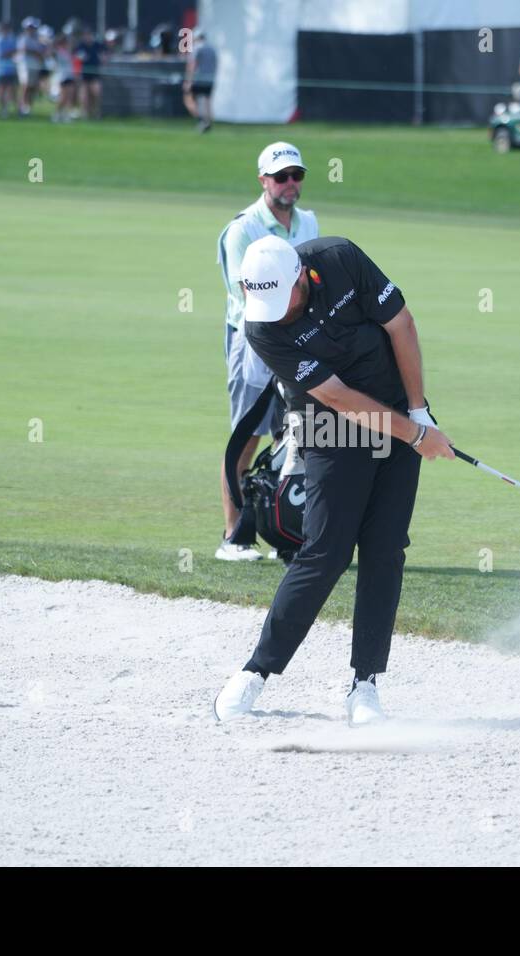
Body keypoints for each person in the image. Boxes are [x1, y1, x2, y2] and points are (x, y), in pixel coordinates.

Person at [213, 235, 454, 725]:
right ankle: (255, 672)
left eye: (285, 301)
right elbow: (339, 397)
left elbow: (401, 324)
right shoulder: (261, 325)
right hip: (331, 425)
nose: (278, 313)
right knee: (325, 551)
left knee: (385, 550)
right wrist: (415, 435)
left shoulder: (340, 259)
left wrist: (417, 411)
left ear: (302, 275)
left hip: (396, 411)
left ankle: (364, 686)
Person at [214, 142, 320, 561]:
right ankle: (233, 537)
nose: (290, 184)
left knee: (289, 438)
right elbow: (244, 297)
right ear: (263, 180)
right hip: (253, 342)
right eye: (281, 177)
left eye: (297, 176)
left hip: (296, 341)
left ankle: (283, 533)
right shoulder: (242, 229)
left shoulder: (308, 222)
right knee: (246, 437)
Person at [182, 28, 216, 133]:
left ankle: (201, 120)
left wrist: (188, 80)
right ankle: (208, 122)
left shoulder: (197, 48)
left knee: (189, 99)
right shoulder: (212, 49)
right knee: (207, 101)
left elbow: (192, 64)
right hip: (210, 78)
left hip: (198, 78)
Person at [15, 17, 44, 116]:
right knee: (25, 86)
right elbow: (25, 50)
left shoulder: (37, 39)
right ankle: (22, 107)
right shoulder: (23, 38)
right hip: (25, 65)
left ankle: (29, 107)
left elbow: (41, 52)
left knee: (32, 87)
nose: (31, 29)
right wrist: (36, 53)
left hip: (35, 65)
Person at [75, 25, 105, 120]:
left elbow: (105, 55)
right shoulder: (80, 46)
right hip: (84, 74)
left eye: (89, 35)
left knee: (96, 93)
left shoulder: (97, 45)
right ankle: (85, 113)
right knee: (84, 95)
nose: (88, 37)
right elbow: (77, 60)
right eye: (86, 35)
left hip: (95, 74)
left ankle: (95, 112)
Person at [0, 21, 17, 118]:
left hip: (10, 69)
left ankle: (9, 108)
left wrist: (12, 52)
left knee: (11, 89)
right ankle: (3, 109)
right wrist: (12, 52)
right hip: (1, 69)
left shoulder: (11, 40)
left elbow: (15, 52)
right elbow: (2, 54)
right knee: (2, 89)